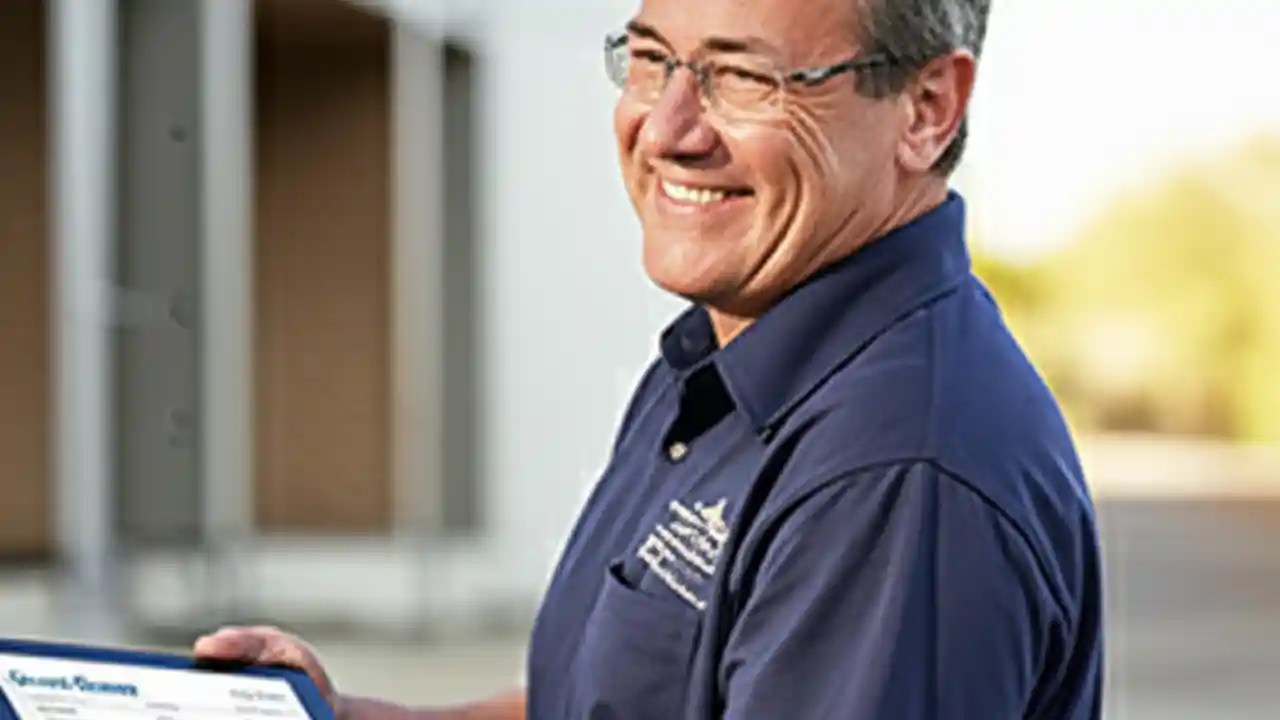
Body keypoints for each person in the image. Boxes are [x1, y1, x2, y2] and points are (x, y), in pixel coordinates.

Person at [195, 0, 1104, 717]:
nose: (669, 128)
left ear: (927, 108)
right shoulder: (729, 355)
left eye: (744, 76)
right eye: (651, 60)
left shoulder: (894, 477)